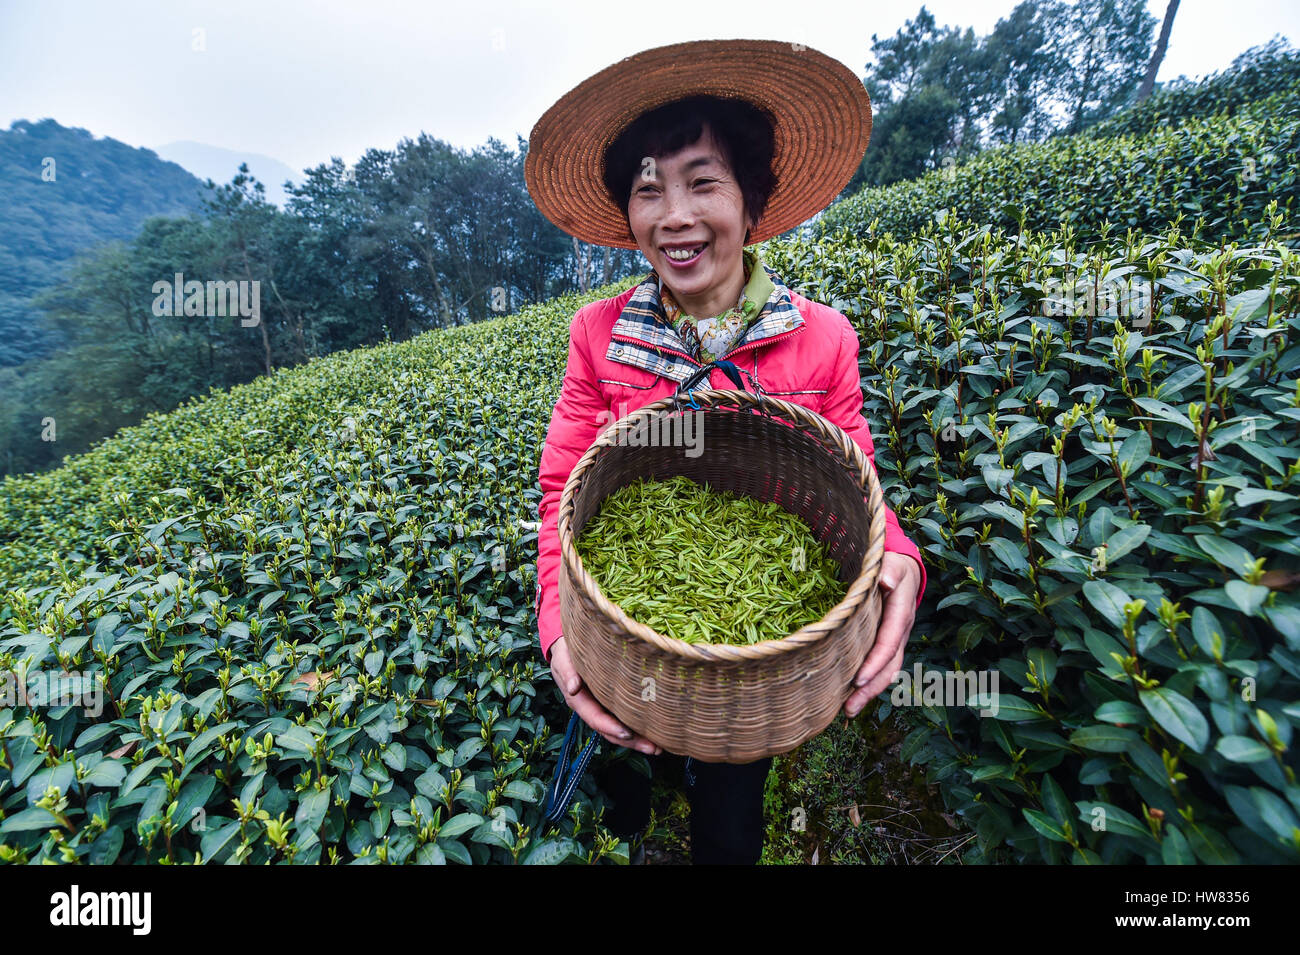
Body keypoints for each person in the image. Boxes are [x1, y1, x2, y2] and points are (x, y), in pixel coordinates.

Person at [525, 39, 927, 865]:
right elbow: (564, 479)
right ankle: (641, 811)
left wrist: (901, 561)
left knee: (731, 819)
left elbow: (856, 479)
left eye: (702, 182)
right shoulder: (598, 336)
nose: (675, 215)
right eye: (648, 190)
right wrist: (560, 627)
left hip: (749, 673)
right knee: (628, 760)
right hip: (625, 636)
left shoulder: (820, 339)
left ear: (751, 199)